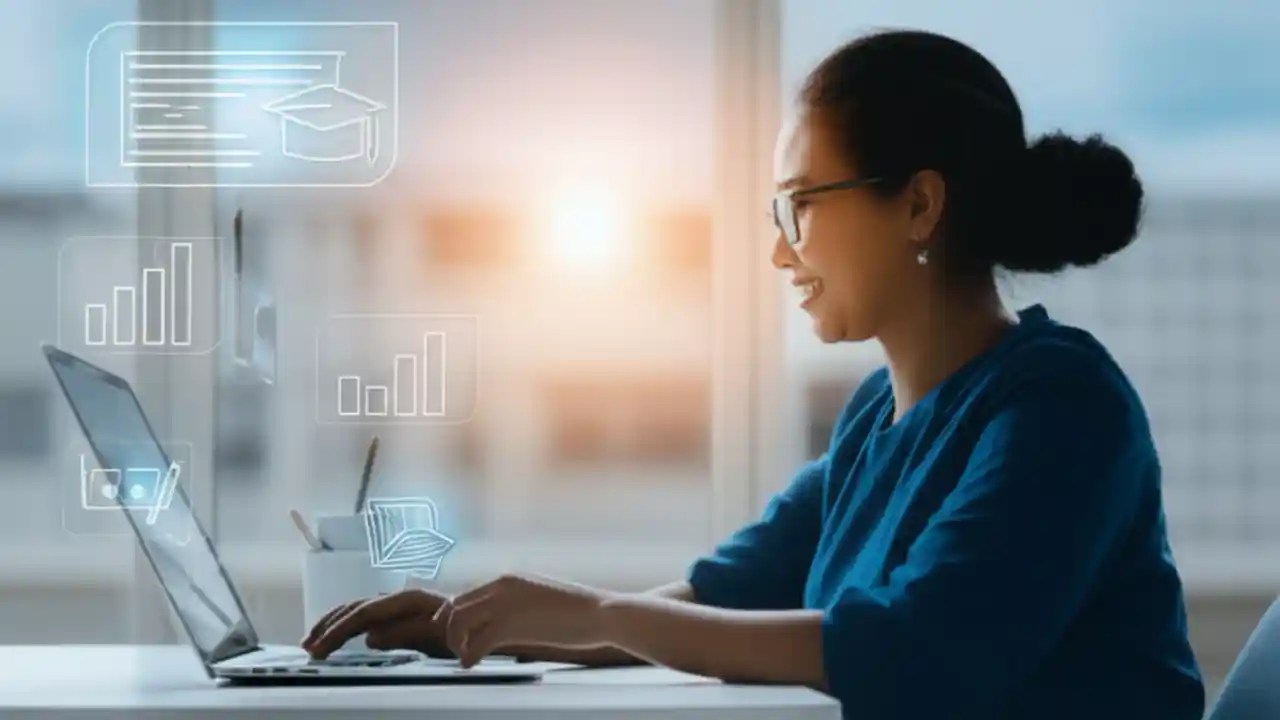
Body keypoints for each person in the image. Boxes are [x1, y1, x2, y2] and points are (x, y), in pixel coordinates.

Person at [303, 29, 1205, 719]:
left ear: (919, 205)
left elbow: (917, 655)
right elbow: (720, 598)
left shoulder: (1061, 408)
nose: (779, 253)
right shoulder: (874, 419)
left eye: (799, 207)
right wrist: (489, 625)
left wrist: (598, 617)